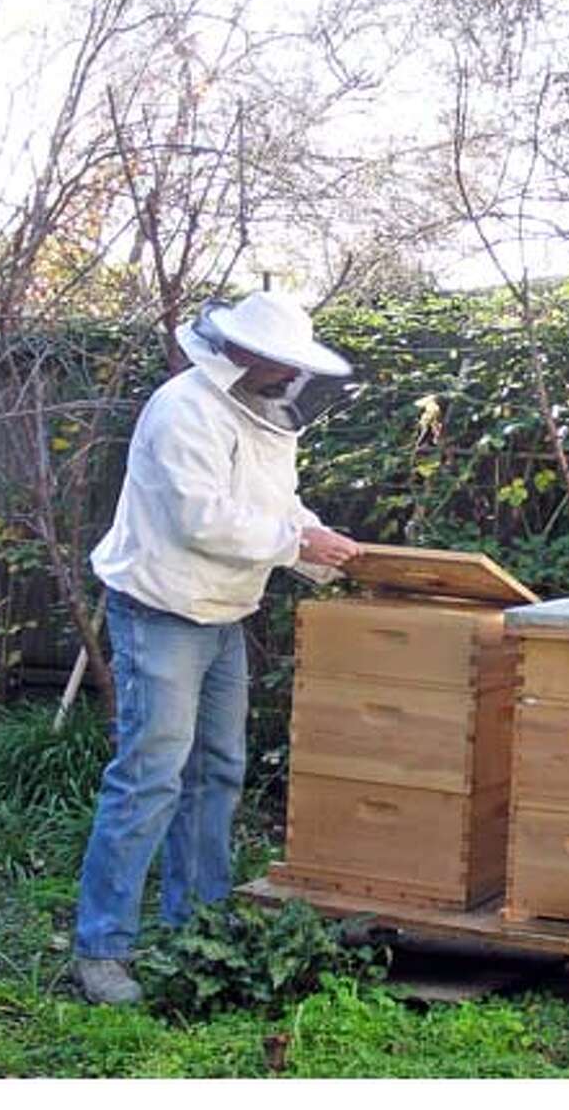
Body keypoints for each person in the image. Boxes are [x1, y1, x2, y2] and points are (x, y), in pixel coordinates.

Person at [73, 290, 361, 1005]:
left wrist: (324, 549)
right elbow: (201, 518)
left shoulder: (263, 416)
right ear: (248, 354)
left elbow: (278, 507)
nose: (288, 377)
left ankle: (197, 923)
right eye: (280, 363)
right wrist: (297, 543)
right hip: (161, 611)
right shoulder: (182, 409)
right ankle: (101, 947)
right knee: (150, 776)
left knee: (218, 771)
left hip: (223, 613)